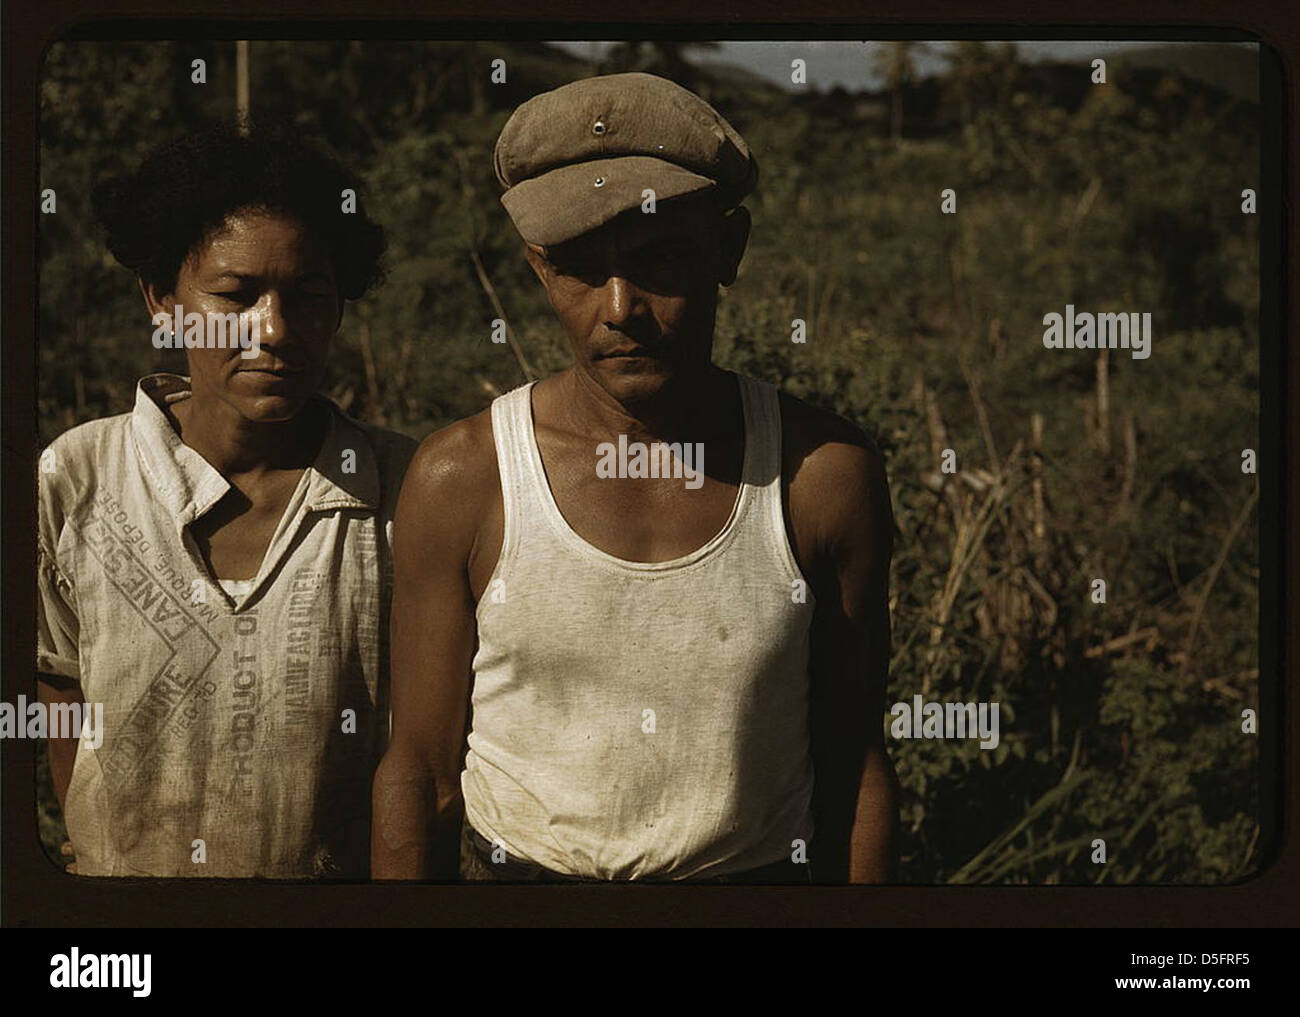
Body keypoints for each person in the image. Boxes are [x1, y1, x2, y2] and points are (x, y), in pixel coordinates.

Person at [373, 72, 897, 883]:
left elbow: (854, 762)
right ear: (541, 270)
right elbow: (420, 772)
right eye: (582, 267)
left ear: (729, 250)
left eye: (661, 259)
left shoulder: (820, 477)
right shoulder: (464, 478)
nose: (620, 306)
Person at [37, 119, 416, 877]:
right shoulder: (75, 476)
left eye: (307, 296)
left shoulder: (399, 489)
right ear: (161, 299)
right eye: (236, 295)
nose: (272, 330)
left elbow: (417, 751)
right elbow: (60, 683)